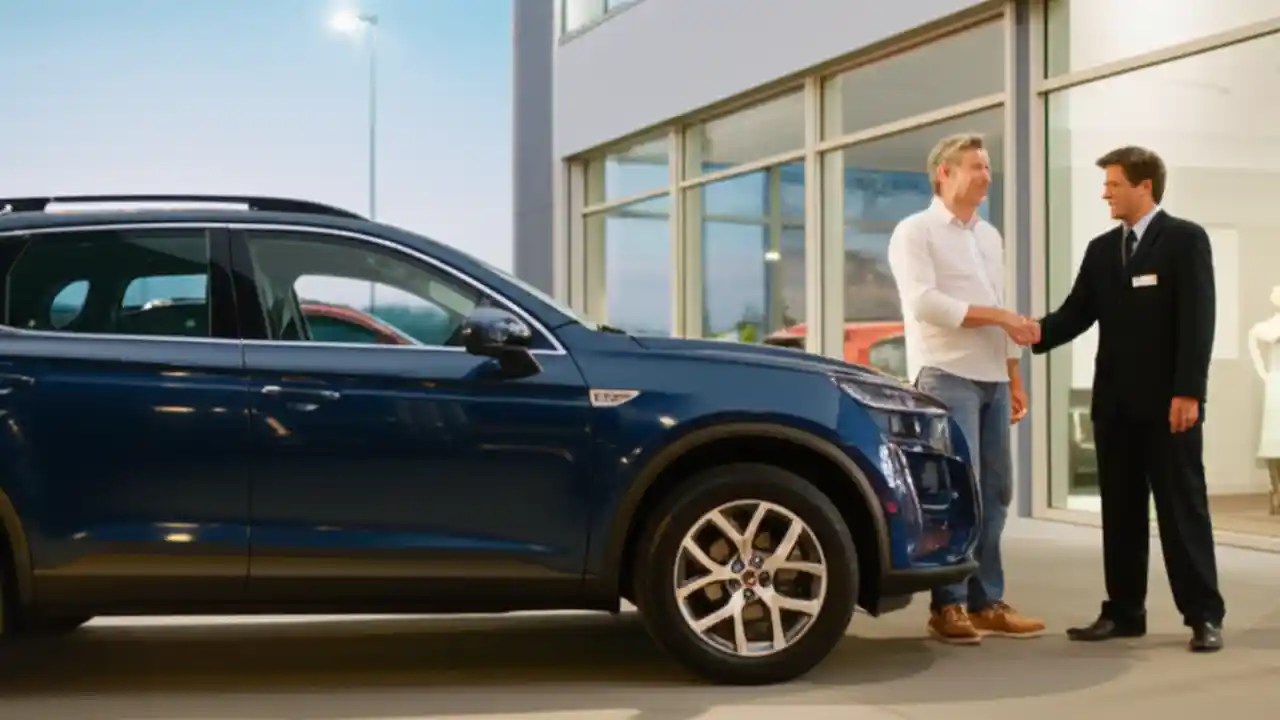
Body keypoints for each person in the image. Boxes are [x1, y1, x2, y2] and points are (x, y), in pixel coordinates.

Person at [1028, 145, 1225, 652]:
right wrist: (1030, 332)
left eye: (1113, 184)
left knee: (1182, 511)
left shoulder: (1184, 240)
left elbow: (1198, 322)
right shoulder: (1100, 249)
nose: (1105, 193)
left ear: (1145, 187)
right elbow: (1076, 314)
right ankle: (1123, 611)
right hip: (1114, 407)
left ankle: (1203, 614)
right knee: (1120, 513)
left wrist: (1189, 391)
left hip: (1169, 407)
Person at [887, 132, 1045, 645]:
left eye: (988, 166)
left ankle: (987, 601)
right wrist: (1000, 316)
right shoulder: (916, 231)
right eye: (976, 166)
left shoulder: (989, 236)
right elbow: (925, 303)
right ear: (944, 173)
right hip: (944, 372)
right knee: (958, 492)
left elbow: (997, 297)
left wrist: (1013, 372)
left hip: (993, 379)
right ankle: (948, 606)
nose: (987, 175)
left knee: (996, 493)